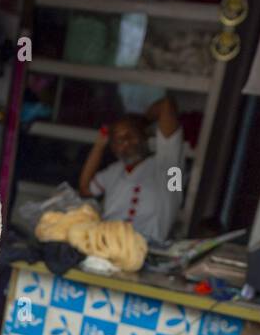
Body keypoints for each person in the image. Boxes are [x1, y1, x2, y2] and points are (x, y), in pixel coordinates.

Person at [78, 95, 184, 243]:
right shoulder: (113, 172)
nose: (127, 142)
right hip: (107, 246)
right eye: (119, 140)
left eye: (132, 134)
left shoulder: (169, 168)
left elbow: (167, 104)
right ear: (113, 147)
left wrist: (143, 121)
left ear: (145, 136)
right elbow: (85, 189)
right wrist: (99, 146)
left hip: (148, 249)